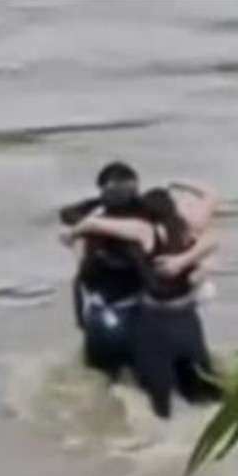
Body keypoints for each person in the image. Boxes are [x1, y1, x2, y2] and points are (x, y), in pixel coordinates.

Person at [66, 187, 222, 418]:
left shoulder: (145, 231)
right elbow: (213, 219)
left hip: (154, 324)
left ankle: (161, 442)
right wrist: (183, 260)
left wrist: (72, 235)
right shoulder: (187, 229)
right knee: (206, 388)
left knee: (159, 396)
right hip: (188, 320)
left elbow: (95, 225)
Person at [58, 162, 149, 379]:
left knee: (99, 379)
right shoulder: (146, 217)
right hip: (142, 313)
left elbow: (67, 215)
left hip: (103, 312)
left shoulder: (95, 220)